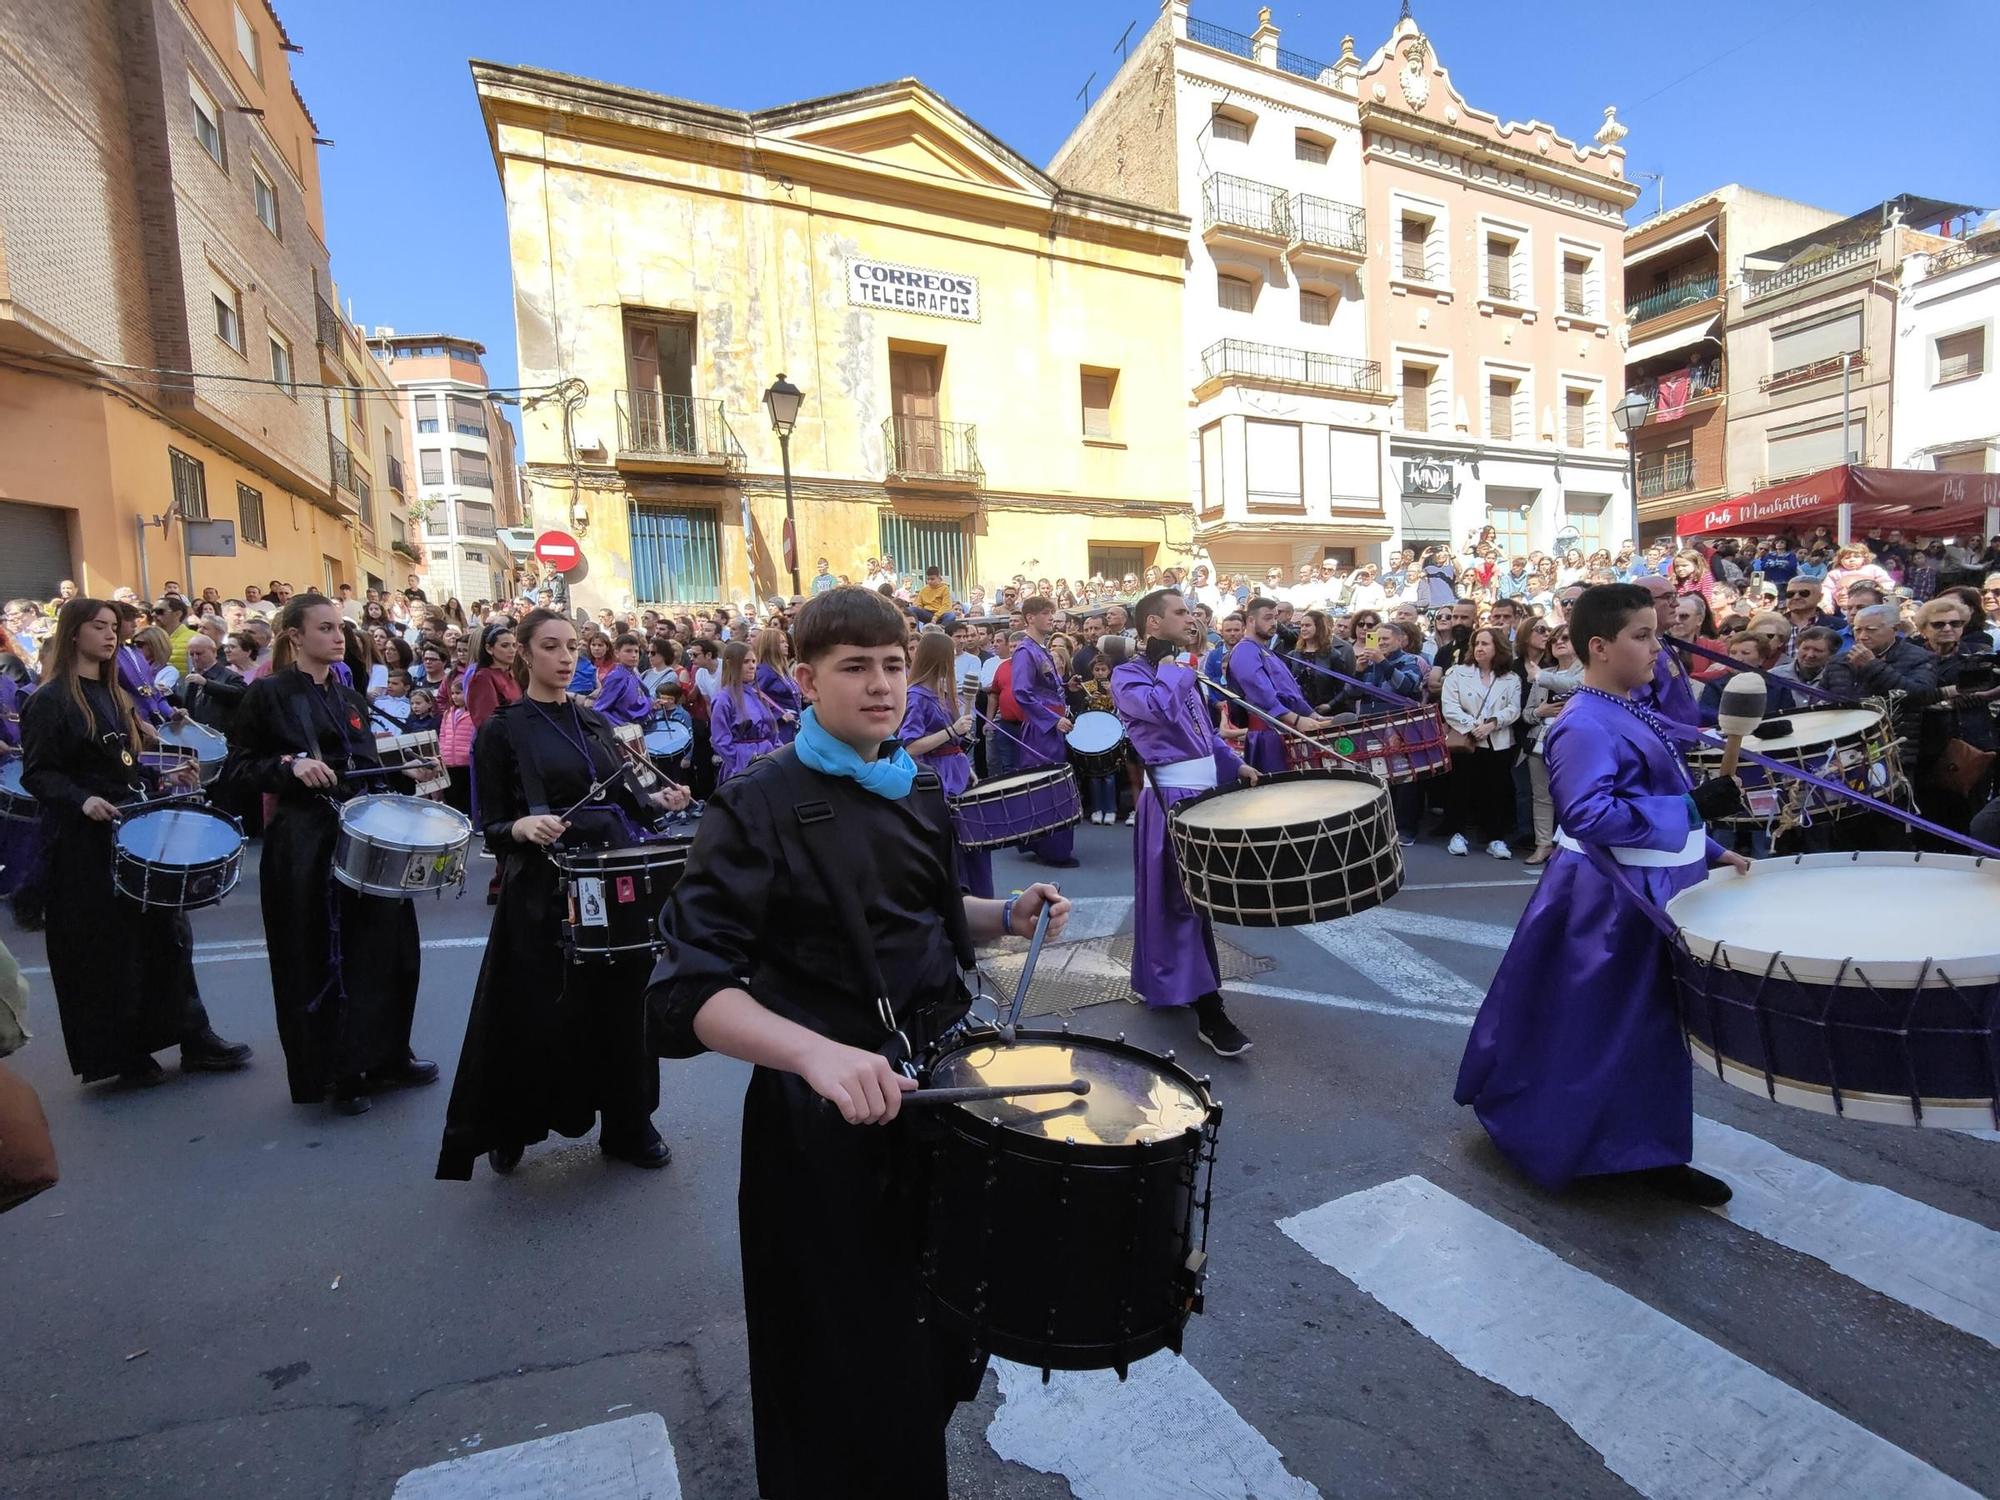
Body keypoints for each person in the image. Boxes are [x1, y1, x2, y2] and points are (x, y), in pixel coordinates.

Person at [644, 587, 1070, 1499]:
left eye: (892, 666)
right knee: (839, 1370)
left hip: (938, 1100)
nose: (881, 686)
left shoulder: (913, 785)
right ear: (805, 681)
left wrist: (1004, 913)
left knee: (930, 1344)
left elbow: (918, 913)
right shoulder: (755, 805)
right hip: (823, 1131)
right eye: (854, 668)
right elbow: (685, 993)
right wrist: (813, 1054)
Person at [1455, 584, 1750, 1204]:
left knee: (1646, 1027)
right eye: (1642, 636)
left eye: (1656, 634)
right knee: (1599, 1027)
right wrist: (1692, 807)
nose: (1657, 648)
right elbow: (1588, 815)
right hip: (1610, 900)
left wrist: (1712, 850)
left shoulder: (1627, 706)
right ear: (1599, 646)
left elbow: (1649, 796)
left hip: (1647, 887)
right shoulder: (1584, 723)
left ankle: (1647, 1147)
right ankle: (1583, 1141)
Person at [438, 610, 690, 1180]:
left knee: (624, 1006)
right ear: (525, 654)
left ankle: (629, 1123)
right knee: (536, 1009)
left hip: (614, 883)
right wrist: (521, 827)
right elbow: (490, 823)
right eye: (550, 646)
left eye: (571, 646)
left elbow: (627, 800)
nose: (565, 656)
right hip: (543, 886)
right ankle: (512, 1125)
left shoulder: (594, 720)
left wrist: (661, 801)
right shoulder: (503, 729)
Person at [219, 594, 436, 1116]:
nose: (338, 637)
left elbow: (365, 771)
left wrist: (406, 773)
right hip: (306, 843)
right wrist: (288, 767)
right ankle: (340, 1070)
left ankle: (387, 1054)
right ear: (295, 636)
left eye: (340, 628)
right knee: (323, 955)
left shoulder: (350, 696)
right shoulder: (268, 693)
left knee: (388, 948)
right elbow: (237, 770)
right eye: (325, 628)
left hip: (366, 835)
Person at [20, 599, 251, 1086]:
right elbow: (39, 773)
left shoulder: (113, 693)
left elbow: (123, 763)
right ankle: (125, 1053)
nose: (111, 635)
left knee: (168, 936)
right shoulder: (49, 700)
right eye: (99, 627)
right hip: (83, 844)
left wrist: (166, 773)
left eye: (113, 627)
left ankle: (194, 1036)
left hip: (134, 829)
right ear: (74, 633)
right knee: (109, 950)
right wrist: (82, 800)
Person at [1112, 588, 1260, 1055]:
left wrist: (1236, 764)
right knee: (1179, 902)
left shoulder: (1180, 671)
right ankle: (1210, 1011)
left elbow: (1205, 736)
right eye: (1180, 612)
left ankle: (1163, 982)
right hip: (1171, 800)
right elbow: (1158, 710)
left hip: (1203, 796)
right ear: (1153, 623)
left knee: (1192, 902)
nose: (1191, 618)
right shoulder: (1127, 675)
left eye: (1193, 611)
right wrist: (1174, 667)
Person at [899, 631, 991, 896]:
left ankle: (979, 900)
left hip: (955, 771)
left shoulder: (940, 692)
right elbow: (910, 745)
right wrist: (952, 731)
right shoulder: (916, 696)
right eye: (949, 655)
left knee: (973, 844)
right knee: (954, 846)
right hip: (937, 777)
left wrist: (965, 765)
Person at [1439, 627, 1522, 858]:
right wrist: (1473, 726)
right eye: (1476, 643)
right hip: (1466, 741)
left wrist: (1492, 724)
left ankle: (1495, 838)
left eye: (1485, 643)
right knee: (1460, 788)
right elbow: (1449, 706)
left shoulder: (1511, 678)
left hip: (1498, 741)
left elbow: (1514, 708)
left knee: (1496, 791)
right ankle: (1457, 834)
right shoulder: (1457, 673)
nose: (1479, 648)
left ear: (1498, 647)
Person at [1009, 596, 1080, 867]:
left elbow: (1043, 686)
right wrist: (1052, 719)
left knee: (1048, 785)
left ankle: (1040, 843)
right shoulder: (1025, 651)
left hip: (1049, 726)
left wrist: (1066, 685)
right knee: (1049, 787)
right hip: (1043, 730)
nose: (1052, 617)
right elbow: (1021, 692)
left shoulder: (1040, 648)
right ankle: (1053, 851)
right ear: (1030, 618)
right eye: (1046, 613)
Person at [1226, 597, 1333, 772]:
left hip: (1284, 731)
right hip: (1268, 735)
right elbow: (1261, 694)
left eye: (1275, 618)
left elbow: (1288, 692)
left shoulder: (1265, 651)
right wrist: (1296, 719)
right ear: (1251, 621)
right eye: (1268, 618)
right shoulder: (1244, 651)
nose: (1274, 623)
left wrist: (1313, 715)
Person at [710, 639, 784, 783]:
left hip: (768, 759)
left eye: (754, 661)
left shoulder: (757, 694)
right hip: (742, 765)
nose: (752, 666)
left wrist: (780, 756)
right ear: (730, 663)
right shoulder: (723, 698)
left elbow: (772, 731)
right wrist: (739, 762)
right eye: (746, 662)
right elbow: (720, 739)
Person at [1632, 576, 1700, 726]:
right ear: (1642, 603)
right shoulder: (1637, 651)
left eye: (1675, 596)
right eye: (1668, 597)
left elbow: (1682, 709)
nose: (1676, 603)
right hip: (1668, 740)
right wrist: (1687, 733)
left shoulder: (1663, 641)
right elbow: (1642, 711)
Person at [591, 633, 651, 727]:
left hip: (642, 725)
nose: (634, 655)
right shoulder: (616, 677)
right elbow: (599, 709)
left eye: (636, 651)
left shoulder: (634, 673)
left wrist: (652, 705)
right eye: (628, 651)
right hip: (626, 729)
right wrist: (622, 725)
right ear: (617, 653)